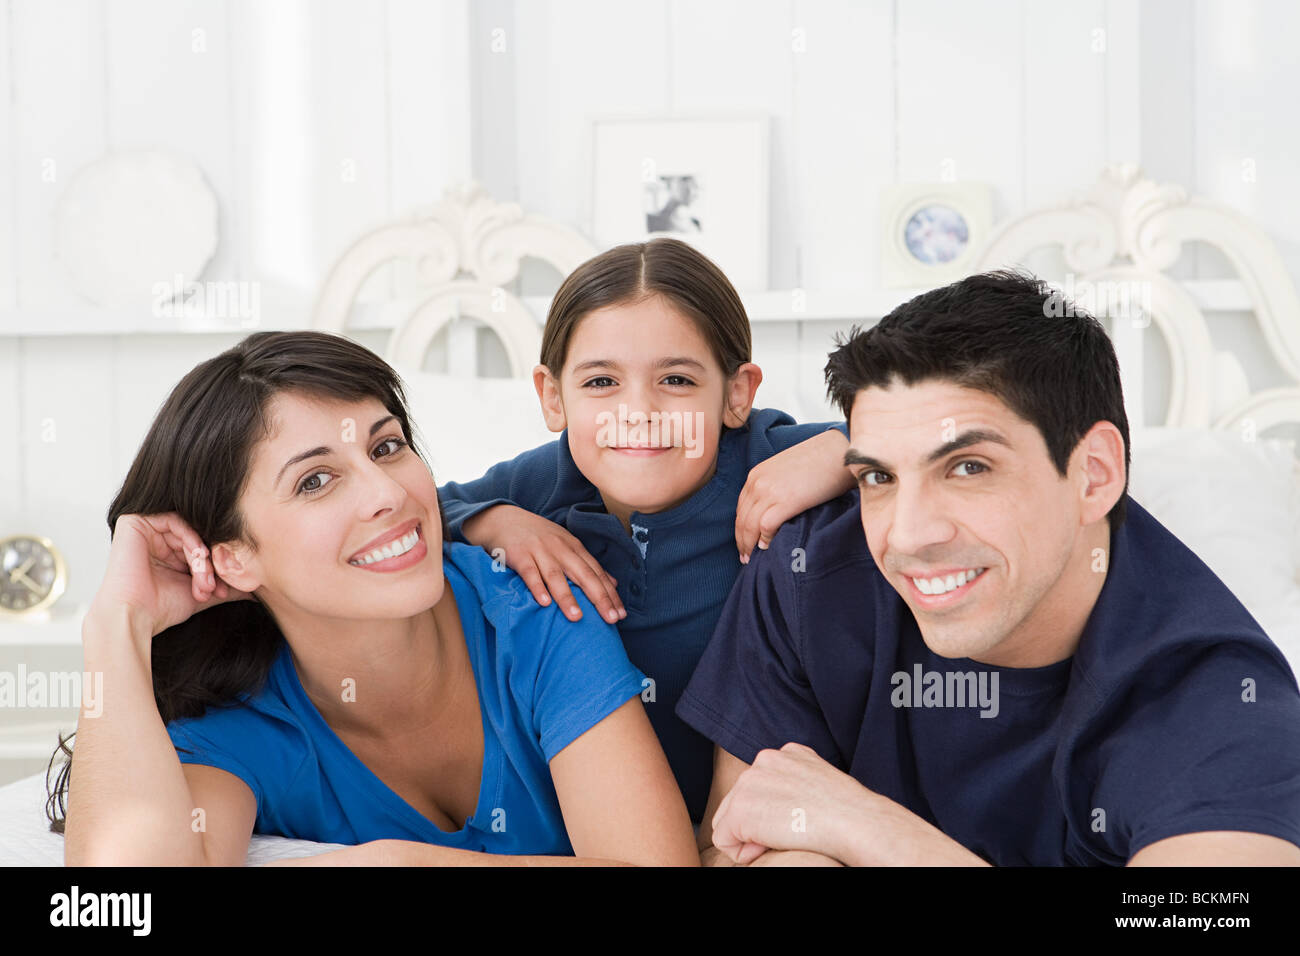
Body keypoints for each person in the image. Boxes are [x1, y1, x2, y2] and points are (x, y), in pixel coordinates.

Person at [678, 270, 1300, 866]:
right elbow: (734, 841)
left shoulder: (1219, 706)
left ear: (1095, 475)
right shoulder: (811, 571)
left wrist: (867, 827)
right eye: (879, 476)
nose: (911, 535)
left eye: (969, 467)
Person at [49, 330, 697, 866]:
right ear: (233, 559)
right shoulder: (245, 722)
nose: (388, 493)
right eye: (316, 480)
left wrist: (400, 863)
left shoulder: (539, 613)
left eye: (387, 447)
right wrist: (116, 625)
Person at [436, 238, 855, 823]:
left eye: (677, 381)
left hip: (766, 824)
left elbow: (926, 431)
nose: (639, 412)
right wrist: (494, 520)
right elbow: (426, 508)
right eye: (601, 383)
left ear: (736, 394)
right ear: (552, 397)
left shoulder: (765, 454)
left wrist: (842, 449)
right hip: (607, 829)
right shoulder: (546, 479)